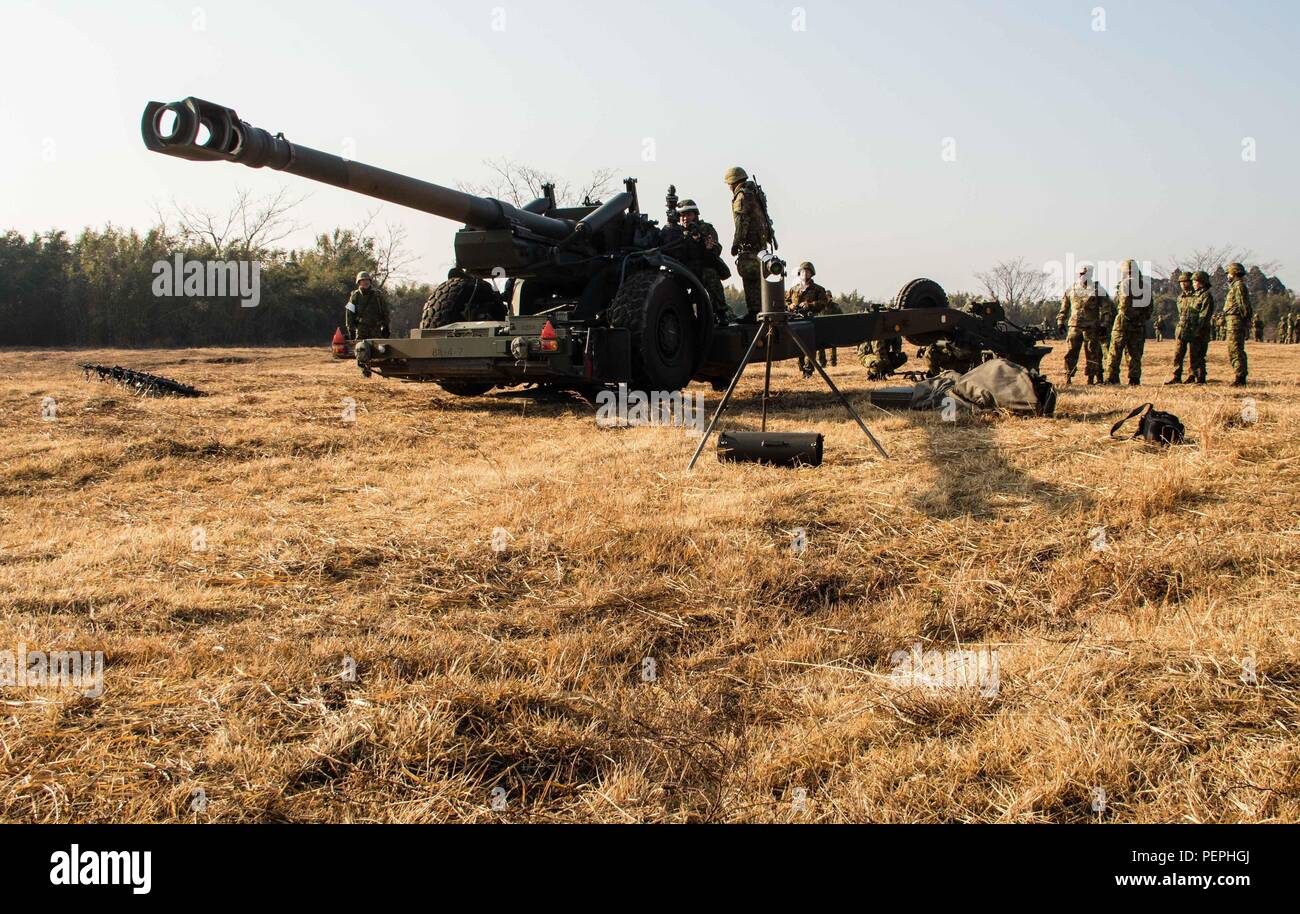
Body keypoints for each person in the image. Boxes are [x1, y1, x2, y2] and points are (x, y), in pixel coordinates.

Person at [671, 198, 730, 323]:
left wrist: (709, 247)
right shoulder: (675, 232)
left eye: (688, 214)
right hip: (684, 270)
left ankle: (721, 313)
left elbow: (716, 248)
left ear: (695, 215)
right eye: (682, 215)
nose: (685, 218)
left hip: (703, 267)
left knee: (710, 275)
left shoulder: (705, 229)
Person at [725, 166, 771, 322]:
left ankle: (754, 313)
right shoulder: (755, 194)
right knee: (761, 279)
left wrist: (736, 243)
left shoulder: (741, 196)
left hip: (749, 247)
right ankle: (764, 310)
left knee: (749, 277)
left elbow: (741, 222)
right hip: (761, 247)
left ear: (732, 182)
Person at [1057, 265, 1112, 384]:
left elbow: (1106, 308)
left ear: (1091, 274)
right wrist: (1061, 321)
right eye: (1081, 274)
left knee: (1093, 352)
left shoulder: (1098, 289)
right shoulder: (1071, 288)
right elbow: (1064, 307)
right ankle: (1068, 377)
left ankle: (1092, 378)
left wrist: (1104, 324)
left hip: (1091, 327)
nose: (1082, 276)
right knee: (1071, 352)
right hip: (1074, 326)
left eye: (1085, 274)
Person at [1105, 259, 1151, 385]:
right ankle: (1134, 378)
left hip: (1122, 323)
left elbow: (1123, 304)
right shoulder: (1145, 286)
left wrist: (1127, 315)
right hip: (1138, 325)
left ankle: (1112, 378)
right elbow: (1149, 309)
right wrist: (1140, 318)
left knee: (1115, 351)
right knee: (1135, 353)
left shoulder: (1124, 284)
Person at [784, 261, 834, 376]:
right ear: (799, 273)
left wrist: (810, 305)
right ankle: (802, 367)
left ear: (812, 274)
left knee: (810, 346)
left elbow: (823, 302)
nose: (805, 273)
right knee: (798, 346)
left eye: (807, 271)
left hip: (810, 320)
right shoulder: (793, 289)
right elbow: (785, 301)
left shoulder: (818, 289)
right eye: (802, 271)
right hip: (796, 321)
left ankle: (808, 370)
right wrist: (789, 306)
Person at [1166, 272, 1199, 384]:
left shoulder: (1197, 296)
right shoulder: (1180, 298)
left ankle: (1192, 376)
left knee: (1193, 354)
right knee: (1178, 354)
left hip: (1193, 328)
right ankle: (1176, 376)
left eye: (1185, 281)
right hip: (1182, 327)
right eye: (1181, 282)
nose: (1183, 284)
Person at [1222, 262, 1252, 386]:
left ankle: (1240, 378)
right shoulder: (1236, 286)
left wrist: (1245, 321)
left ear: (1234, 273)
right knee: (1234, 349)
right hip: (1233, 321)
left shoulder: (1238, 286)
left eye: (1229, 273)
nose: (1227, 276)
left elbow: (1243, 305)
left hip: (1236, 321)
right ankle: (1239, 375)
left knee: (1235, 349)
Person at [345, 271, 390, 340]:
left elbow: (385, 311)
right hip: (361, 329)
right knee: (360, 349)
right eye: (363, 280)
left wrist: (386, 326)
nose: (366, 282)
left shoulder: (378, 294)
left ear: (370, 281)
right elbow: (349, 314)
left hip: (376, 329)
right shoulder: (354, 296)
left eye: (367, 280)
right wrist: (351, 329)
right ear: (359, 282)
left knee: (379, 349)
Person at [1190, 271, 1215, 384]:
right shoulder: (1196, 295)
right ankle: (1196, 376)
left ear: (1201, 283)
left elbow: (1204, 315)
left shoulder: (1206, 296)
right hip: (1194, 329)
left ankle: (1200, 378)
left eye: (1195, 281)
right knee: (1194, 354)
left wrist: (1197, 329)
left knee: (1199, 354)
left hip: (1201, 330)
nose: (1193, 284)